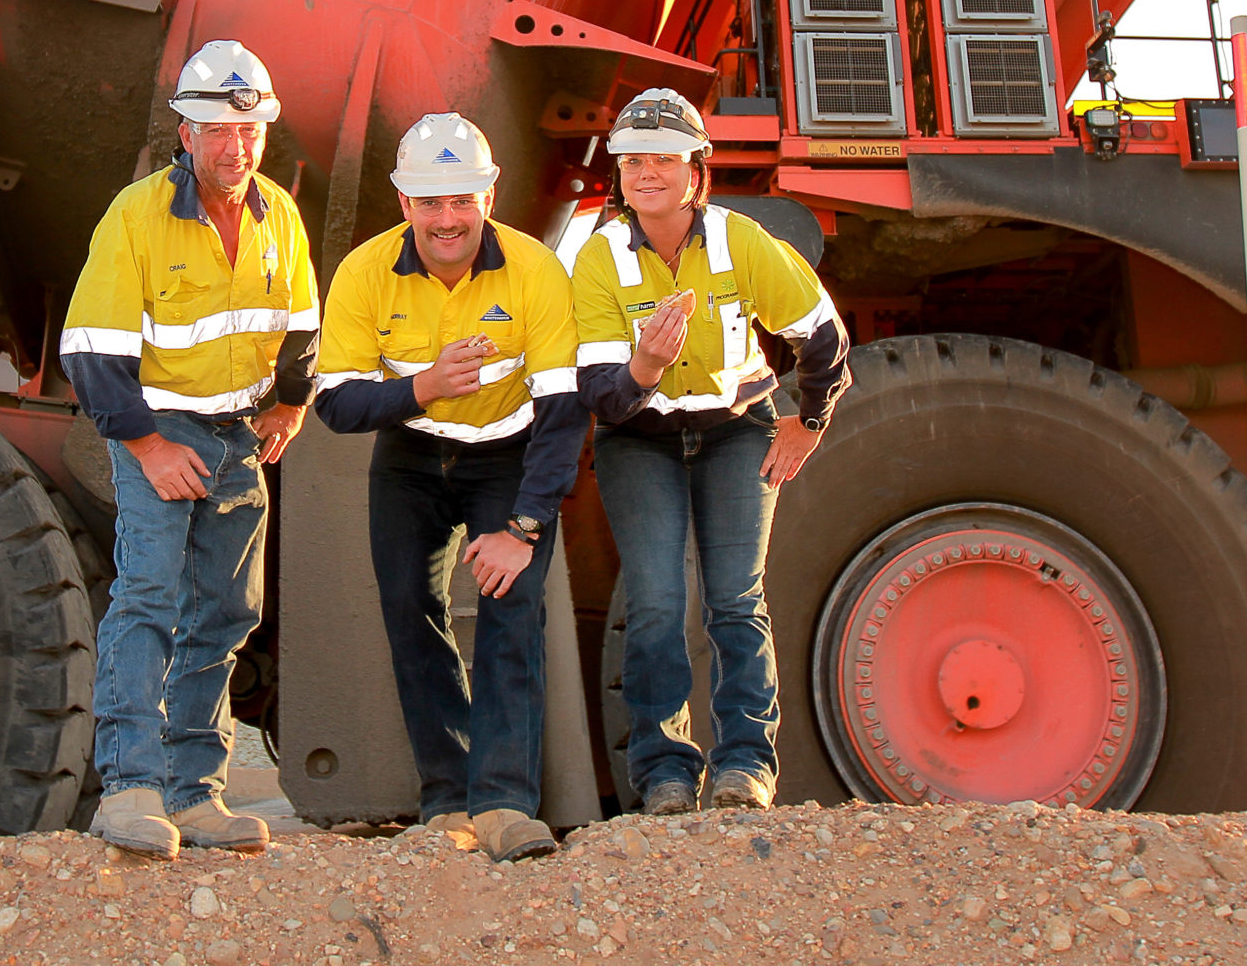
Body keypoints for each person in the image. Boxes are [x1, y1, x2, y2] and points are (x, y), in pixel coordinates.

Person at [60, 40, 317, 859]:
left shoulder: (279, 213)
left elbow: (301, 326)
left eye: (251, 131)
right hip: (161, 431)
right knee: (148, 602)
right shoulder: (134, 216)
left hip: (240, 437)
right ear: (185, 132)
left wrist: (290, 404)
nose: (236, 148)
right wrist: (146, 445)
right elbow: (90, 352)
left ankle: (195, 796)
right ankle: (130, 790)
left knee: (229, 611)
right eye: (218, 130)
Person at [312, 114, 584, 863]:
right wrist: (424, 387)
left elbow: (563, 414)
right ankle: (447, 796)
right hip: (410, 456)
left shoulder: (535, 270)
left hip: (509, 457)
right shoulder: (365, 272)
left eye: (461, 199)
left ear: (488, 195)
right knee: (410, 612)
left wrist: (523, 528)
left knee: (511, 619)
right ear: (404, 204)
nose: (447, 219)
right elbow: (335, 403)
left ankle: (504, 803)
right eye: (430, 202)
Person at [572, 88, 851, 815]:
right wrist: (644, 369)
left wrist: (809, 423)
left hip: (736, 432)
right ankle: (664, 771)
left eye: (665, 159)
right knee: (659, 602)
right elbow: (600, 394)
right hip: (640, 440)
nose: (648, 174)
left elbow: (821, 337)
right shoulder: (598, 259)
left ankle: (744, 767)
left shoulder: (742, 241)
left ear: (698, 172)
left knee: (734, 599)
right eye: (634, 161)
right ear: (618, 175)